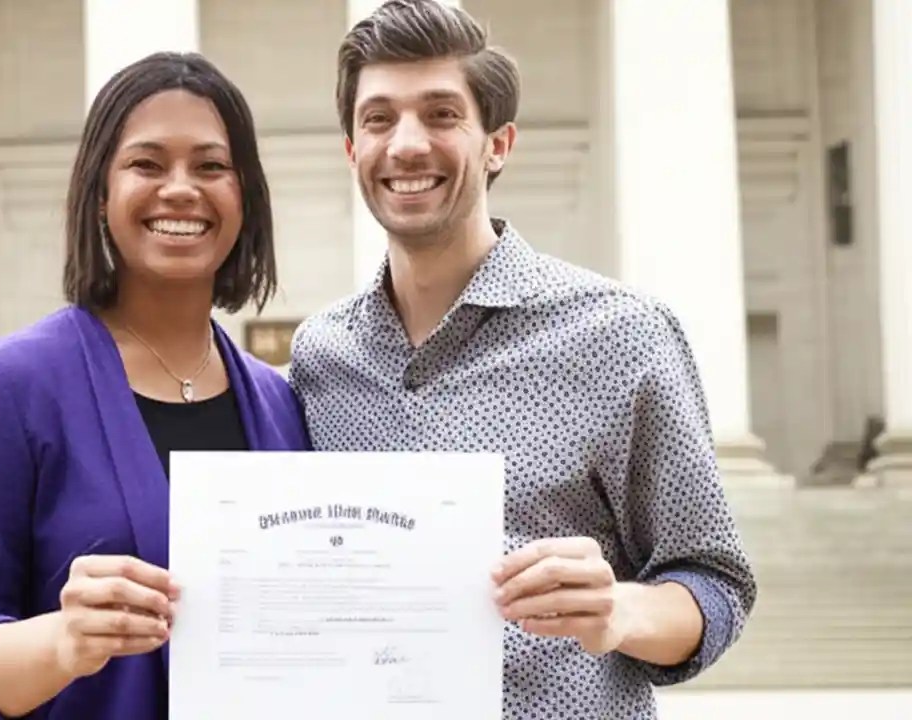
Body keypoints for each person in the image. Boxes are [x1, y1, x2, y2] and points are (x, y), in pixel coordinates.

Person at [289, 1, 756, 717]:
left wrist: (619, 614)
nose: (406, 144)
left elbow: (716, 583)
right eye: (378, 118)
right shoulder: (320, 357)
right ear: (353, 151)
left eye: (442, 114)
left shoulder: (621, 334)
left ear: (498, 144)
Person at [0, 52, 309, 719]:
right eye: (147, 164)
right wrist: (62, 642)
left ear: (245, 200)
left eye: (210, 166)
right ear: (98, 198)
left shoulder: (281, 407)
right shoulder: (2, 390)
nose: (181, 188)